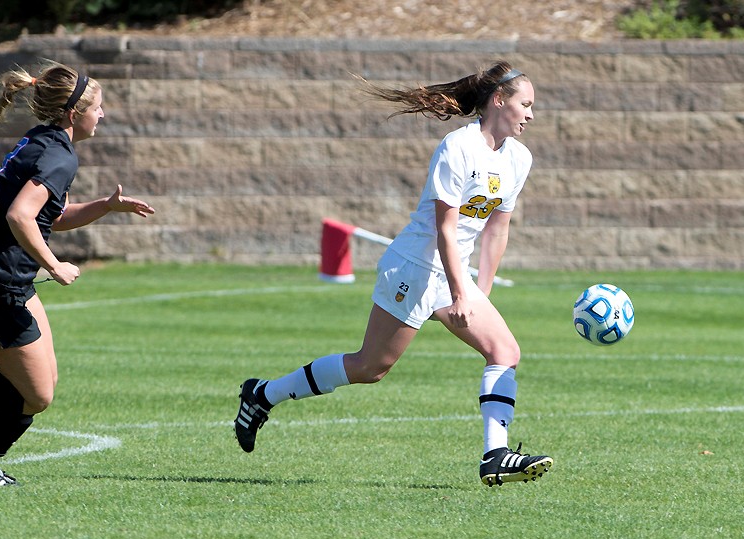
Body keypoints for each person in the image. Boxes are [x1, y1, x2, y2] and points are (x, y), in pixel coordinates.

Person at [234, 61, 553, 487]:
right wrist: (461, 293)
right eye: (525, 104)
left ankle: (495, 454)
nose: (531, 114)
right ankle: (262, 394)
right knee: (371, 367)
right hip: (416, 266)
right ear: (499, 101)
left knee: (505, 352)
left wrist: (481, 293)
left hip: (452, 272)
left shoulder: (519, 158)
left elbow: (498, 228)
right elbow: (445, 227)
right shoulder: (458, 147)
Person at [0, 62, 155, 486]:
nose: (103, 115)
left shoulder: (44, 142)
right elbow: (22, 215)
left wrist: (106, 206)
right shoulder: (58, 154)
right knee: (33, 396)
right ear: (74, 113)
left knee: (42, 385)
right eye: (99, 107)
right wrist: (54, 265)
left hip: (5, 278)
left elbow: (48, 217)